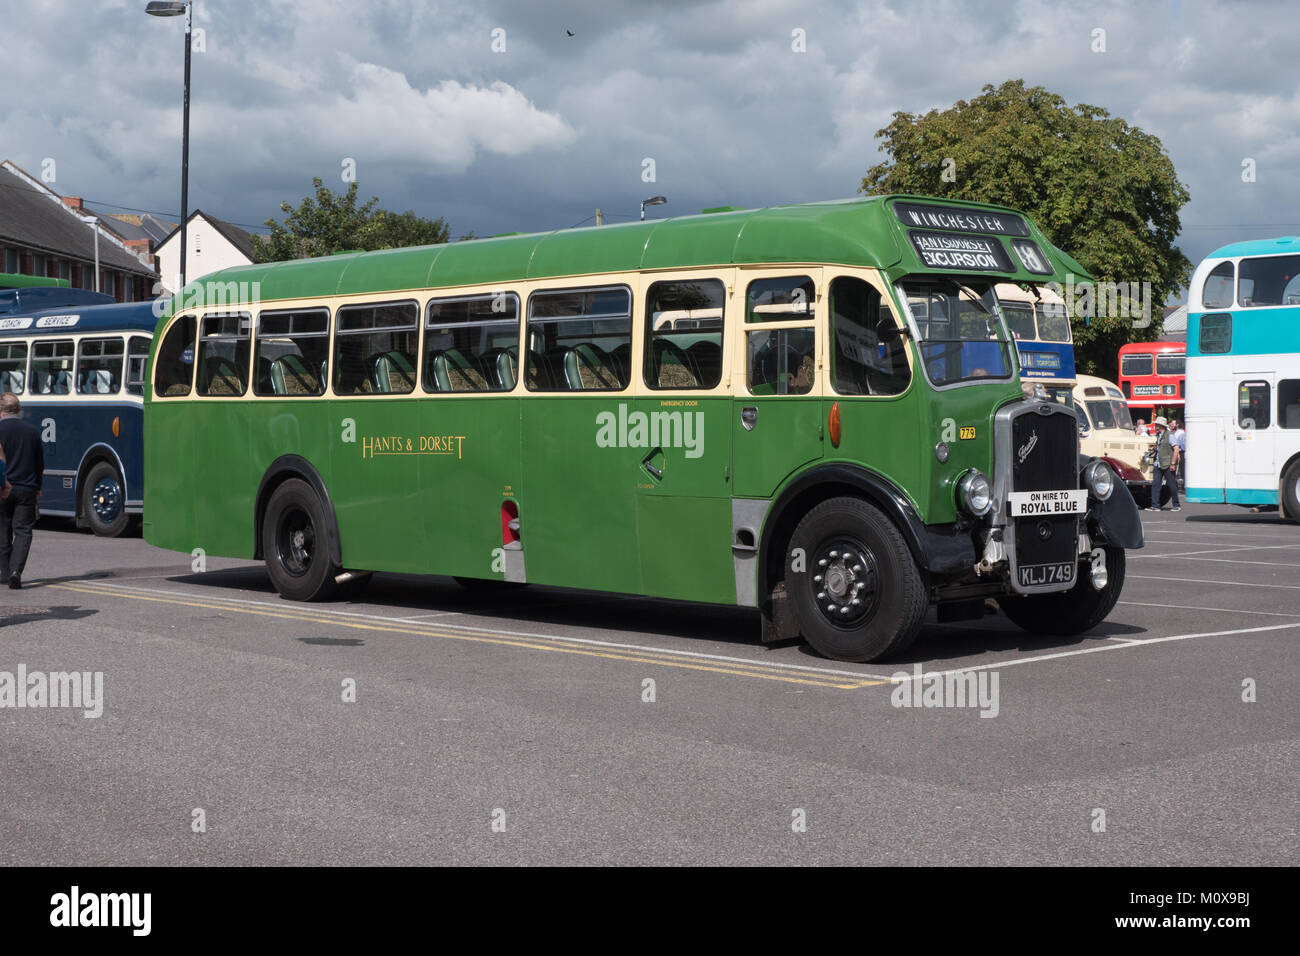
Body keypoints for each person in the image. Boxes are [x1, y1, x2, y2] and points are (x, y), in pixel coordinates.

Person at [0, 392, 44, 589]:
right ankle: (16, 571)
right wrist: (38, 488)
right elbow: (39, 464)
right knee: (23, 531)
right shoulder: (32, 432)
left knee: (2, 530)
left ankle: (4, 572)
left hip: (3, 487)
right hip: (27, 488)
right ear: (19, 410)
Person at [1146, 415, 1180, 512]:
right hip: (1158, 463)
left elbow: (1176, 449)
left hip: (1167, 464)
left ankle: (1176, 504)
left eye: (1156, 424)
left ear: (1160, 426)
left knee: (1171, 484)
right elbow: (1162, 448)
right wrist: (1154, 448)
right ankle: (1155, 506)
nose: (1155, 426)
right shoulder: (1159, 436)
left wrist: (1173, 463)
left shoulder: (1169, 435)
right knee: (1156, 484)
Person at [1170, 419, 1186, 485]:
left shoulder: (1180, 433)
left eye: (1174, 424)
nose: (1171, 425)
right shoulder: (1175, 433)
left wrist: (1179, 453)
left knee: (1181, 469)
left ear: (1177, 425)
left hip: (1180, 452)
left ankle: (1181, 485)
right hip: (1178, 452)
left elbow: (1180, 445)